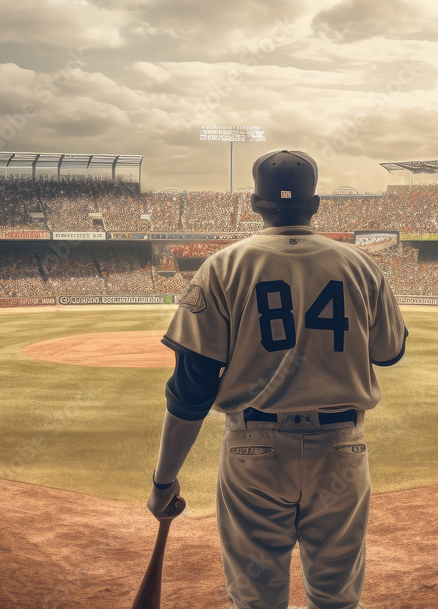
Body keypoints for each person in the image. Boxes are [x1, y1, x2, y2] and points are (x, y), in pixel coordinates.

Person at [147, 149, 408, 609]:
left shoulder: (222, 266)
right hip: (341, 450)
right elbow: (391, 352)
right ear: (315, 203)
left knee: (255, 602)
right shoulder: (362, 265)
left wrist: (163, 482)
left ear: (254, 204)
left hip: (255, 452)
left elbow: (191, 390)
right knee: (337, 602)